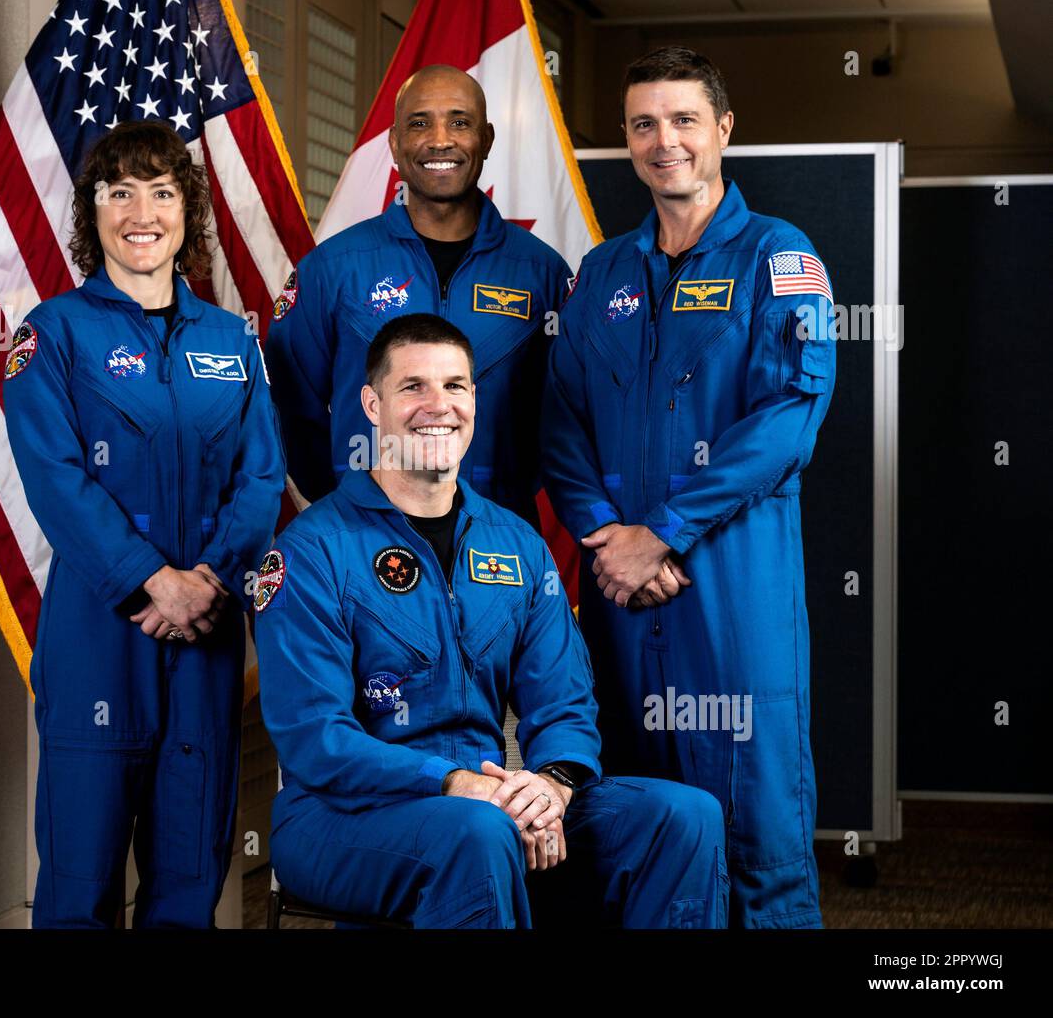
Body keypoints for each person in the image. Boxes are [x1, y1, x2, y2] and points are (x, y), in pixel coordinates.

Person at [254, 315, 728, 928]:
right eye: (413, 388)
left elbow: (564, 702)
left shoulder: (516, 545)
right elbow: (317, 740)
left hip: (488, 804)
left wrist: (551, 786)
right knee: (477, 835)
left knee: (683, 817)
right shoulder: (312, 550)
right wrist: (451, 782)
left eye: (455, 387)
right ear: (372, 405)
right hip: (337, 815)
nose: (438, 406)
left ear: (474, 400)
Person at [541, 47, 836, 929]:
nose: (662, 141)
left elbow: (790, 416)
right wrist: (605, 537)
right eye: (642, 124)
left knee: (758, 838)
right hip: (622, 601)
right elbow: (560, 423)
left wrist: (660, 531)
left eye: (682, 120)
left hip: (732, 599)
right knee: (643, 829)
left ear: (723, 130)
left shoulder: (777, 257)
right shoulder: (600, 275)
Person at [3, 119, 285, 928]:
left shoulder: (233, 340)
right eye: (118, 190)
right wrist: (151, 582)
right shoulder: (50, 335)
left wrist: (208, 583)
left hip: (208, 637)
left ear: (186, 211)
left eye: (161, 192)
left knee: (190, 877)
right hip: (98, 636)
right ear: (91, 212)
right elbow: (56, 481)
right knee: (80, 884)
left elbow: (262, 475)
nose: (141, 211)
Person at [265, 64, 570, 525]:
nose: (440, 140)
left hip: (497, 541)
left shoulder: (541, 273)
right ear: (394, 143)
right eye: (420, 123)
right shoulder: (332, 269)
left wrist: (500, 497)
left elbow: (565, 413)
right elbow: (288, 407)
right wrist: (350, 501)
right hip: (361, 537)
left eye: (460, 122)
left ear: (486, 140)